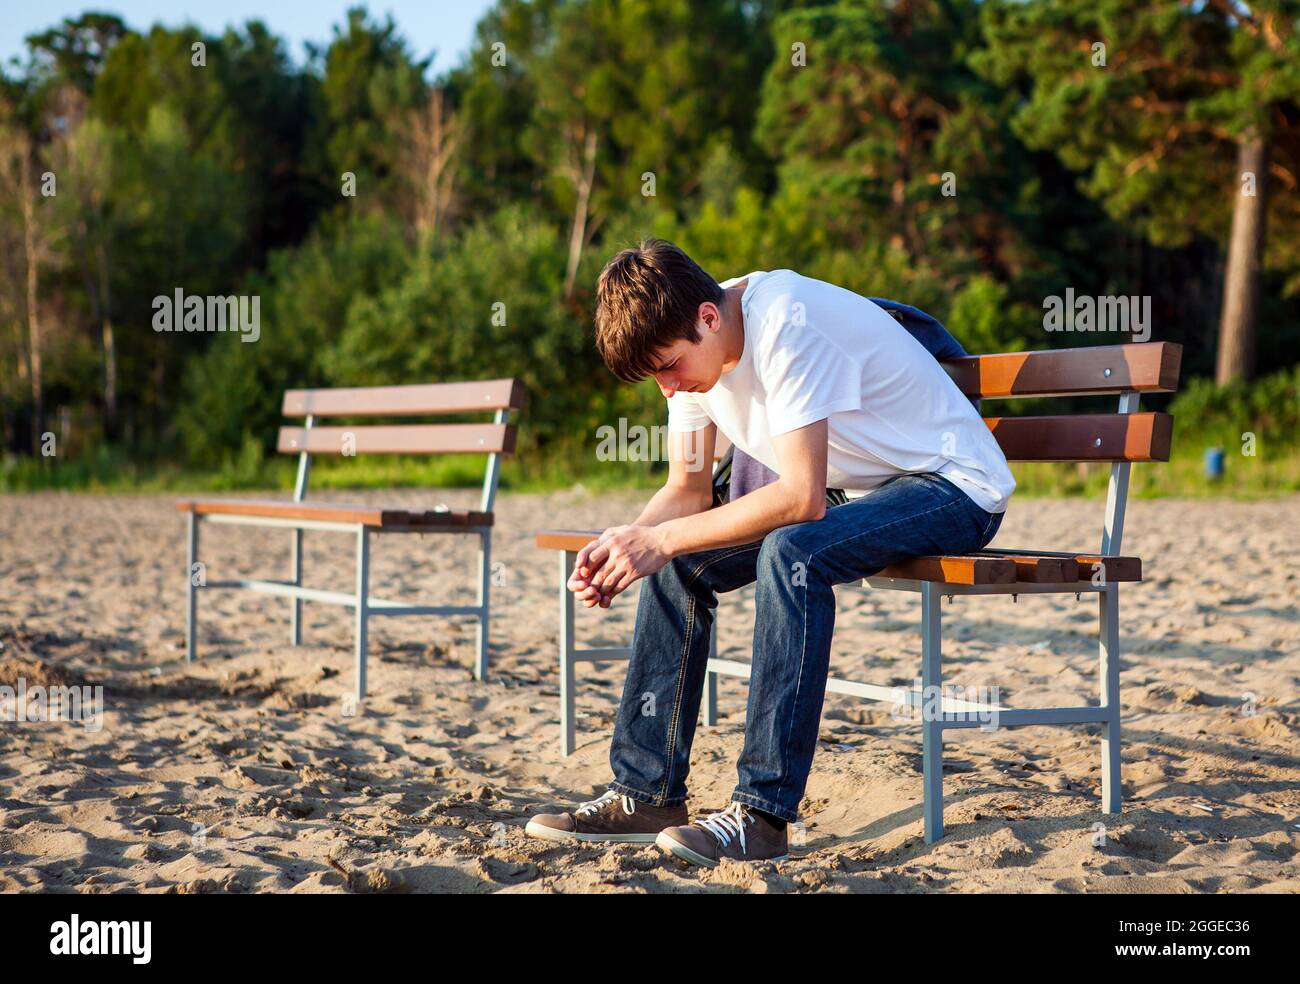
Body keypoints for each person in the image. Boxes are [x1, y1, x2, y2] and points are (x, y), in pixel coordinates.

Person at [526, 239, 1014, 867]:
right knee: (676, 563)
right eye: (656, 378)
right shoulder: (692, 349)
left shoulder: (786, 322)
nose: (669, 390)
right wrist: (624, 542)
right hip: (868, 495)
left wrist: (660, 539)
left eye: (670, 367)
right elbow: (687, 490)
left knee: (791, 554)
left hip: (954, 489)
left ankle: (760, 816)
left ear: (708, 317)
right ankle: (645, 793)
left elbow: (803, 500)